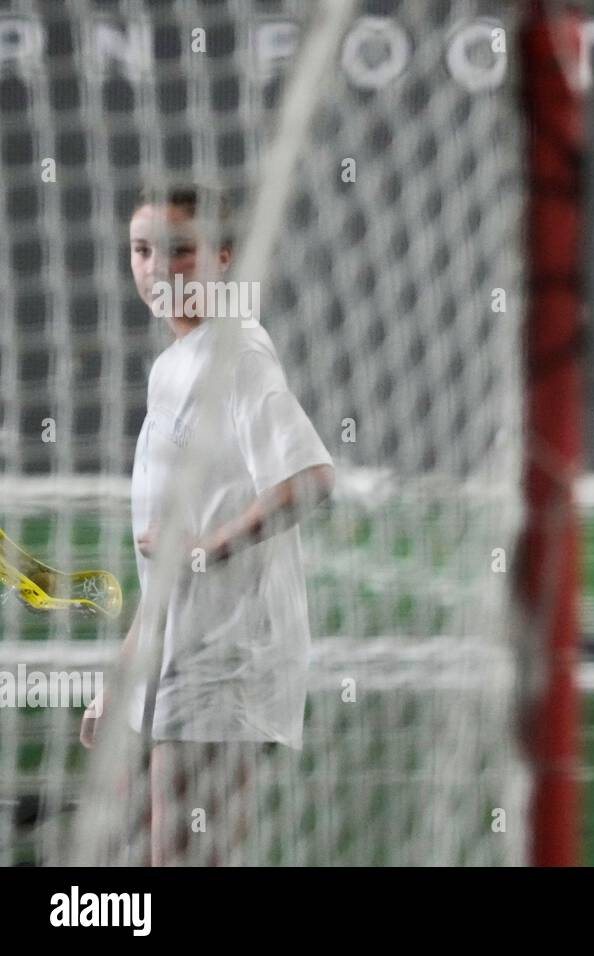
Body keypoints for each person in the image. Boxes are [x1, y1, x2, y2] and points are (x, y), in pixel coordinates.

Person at [81, 184, 335, 865]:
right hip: (180, 656)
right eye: (142, 251)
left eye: (181, 251)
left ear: (224, 260)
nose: (159, 269)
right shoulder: (174, 366)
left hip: (227, 660)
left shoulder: (238, 353)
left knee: (187, 857)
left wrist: (206, 551)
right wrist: (122, 674)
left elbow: (309, 480)